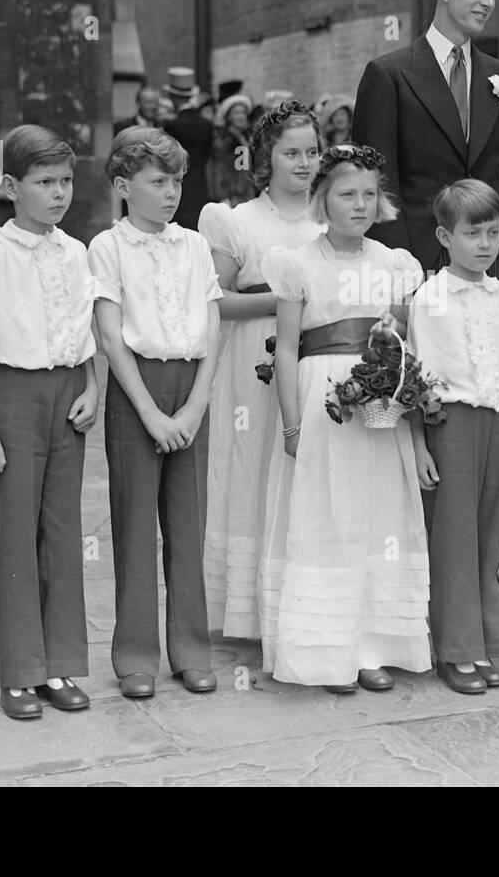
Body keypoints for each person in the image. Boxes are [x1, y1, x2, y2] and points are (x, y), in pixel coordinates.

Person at [259, 144, 432, 692]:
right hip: (321, 400)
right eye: (345, 194)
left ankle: (373, 646)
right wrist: (291, 424)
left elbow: (404, 342)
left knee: (376, 515)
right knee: (327, 514)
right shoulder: (297, 263)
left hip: (380, 405)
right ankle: (325, 648)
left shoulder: (394, 263)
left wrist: (400, 392)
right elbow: (287, 348)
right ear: (321, 200)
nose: (359, 205)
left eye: (368, 194)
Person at [0, 125, 99, 720]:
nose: (58, 193)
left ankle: (59, 665)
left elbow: (87, 332)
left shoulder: (77, 251)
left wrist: (93, 387)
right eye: (44, 183)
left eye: (65, 181)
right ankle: (18, 672)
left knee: (63, 536)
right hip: (13, 396)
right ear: (12, 187)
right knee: (14, 535)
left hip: (68, 397)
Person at [88, 127, 222, 698]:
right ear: (123, 185)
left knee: (188, 527)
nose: (172, 193)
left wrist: (195, 406)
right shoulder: (107, 247)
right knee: (136, 526)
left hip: (189, 389)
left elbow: (214, 325)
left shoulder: (192, 245)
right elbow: (112, 338)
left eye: (178, 181)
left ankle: (191, 650)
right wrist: (149, 413)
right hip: (135, 390)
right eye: (158, 181)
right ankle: (135, 656)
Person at [352, 0, 499, 295]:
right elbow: (378, 188)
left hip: (494, 267)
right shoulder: (388, 76)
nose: (488, 2)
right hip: (420, 265)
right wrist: (397, 277)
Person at [199, 101, 326, 639]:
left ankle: (304, 602)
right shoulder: (236, 221)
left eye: (313, 152)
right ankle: (250, 612)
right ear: (264, 158)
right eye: (290, 152)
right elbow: (216, 299)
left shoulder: (331, 218)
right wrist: (284, 300)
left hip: (317, 359)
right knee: (255, 465)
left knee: (308, 467)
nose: (304, 163)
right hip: (255, 358)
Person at [408, 180, 499, 695]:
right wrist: (420, 445)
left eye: (493, 232)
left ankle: (485, 644)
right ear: (444, 236)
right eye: (472, 233)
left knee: (487, 534)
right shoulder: (431, 297)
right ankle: (455, 650)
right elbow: (420, 374)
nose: (484, 244)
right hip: (450, 422)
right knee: (453, 538)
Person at [164, 67, 214, 229]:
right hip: (201, 184)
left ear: (173, 96)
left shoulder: (172, 125)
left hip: (180, 186)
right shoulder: (206, 124)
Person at [207, 93, 256, 206]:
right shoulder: (222, 141)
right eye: (236, 113)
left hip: (249, 195)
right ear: (228, 117)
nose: (240, 116)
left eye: (243, 112)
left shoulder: (248, 138)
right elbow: (217, 171)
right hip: (233, 199)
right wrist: (223, 197)